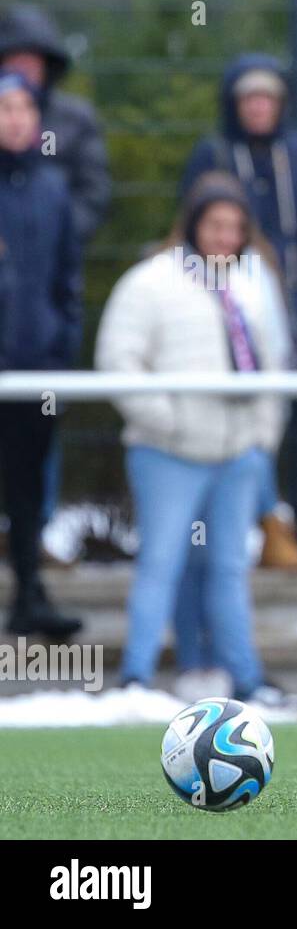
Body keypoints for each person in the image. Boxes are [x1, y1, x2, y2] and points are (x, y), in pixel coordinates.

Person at [95, 172, 289, 702]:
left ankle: (246, 679)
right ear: (193, 224)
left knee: (229, 568)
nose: (225, 235)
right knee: (161, 561)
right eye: (215, 223)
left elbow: (275, 361)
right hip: (167, 453)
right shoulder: (151, 280)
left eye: (235, 226)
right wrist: (167, 421)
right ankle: (136, 677)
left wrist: (262, 438)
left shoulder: (254, 280)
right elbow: (117, 359)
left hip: (238, 453)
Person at [180, 54, 297, 571]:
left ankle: (282, 524)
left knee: (286, 416)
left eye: (268, 98)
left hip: (289, 306)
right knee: (246, 409)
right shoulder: (214, 152)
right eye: (249, 98)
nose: (259, 107)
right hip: (228, 304)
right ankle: (268, 523)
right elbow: (191, 224)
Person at [0, 70, 82, 638]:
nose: (16, 117)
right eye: (5, 107)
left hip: (34, 370)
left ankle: (29, 596)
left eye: (24, 107)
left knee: (27, 489)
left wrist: (60, 352)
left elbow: (66, 281)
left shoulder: (54, 187)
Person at [0, 4, 110, 243]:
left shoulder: (76, 120)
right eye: (14, 61)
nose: (22, 70)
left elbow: (93, 194)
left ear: (46, 66)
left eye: (30, 63)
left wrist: (53, 235)